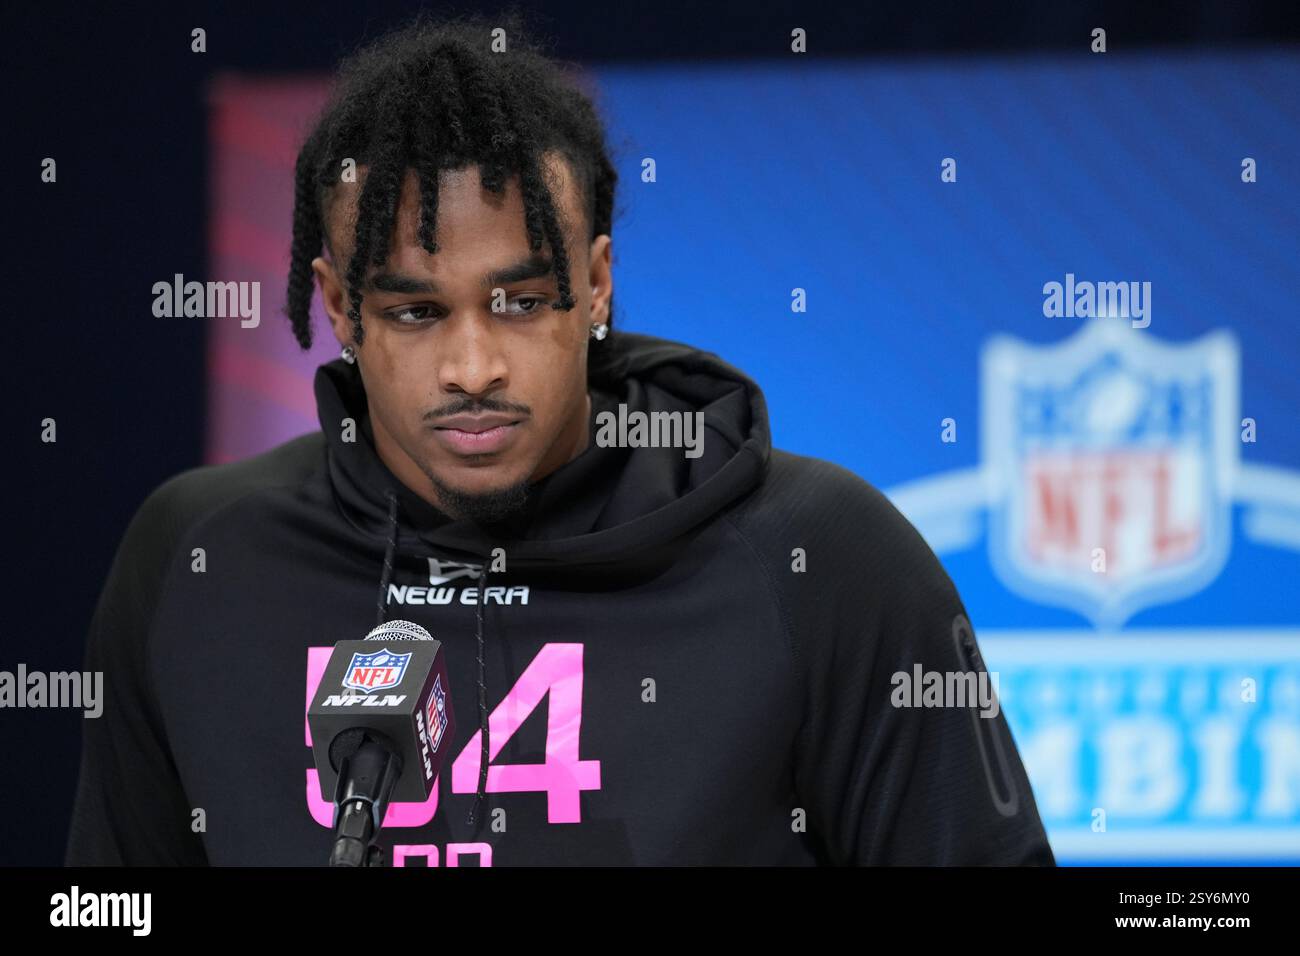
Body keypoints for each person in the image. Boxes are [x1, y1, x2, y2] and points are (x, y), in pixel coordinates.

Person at [65, 11, 1054, 866]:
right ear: (339, 308)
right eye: (415, 312)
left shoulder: (825, 558)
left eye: (521, 300)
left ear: (598, 284)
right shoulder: (197, 561)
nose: (473, 367)